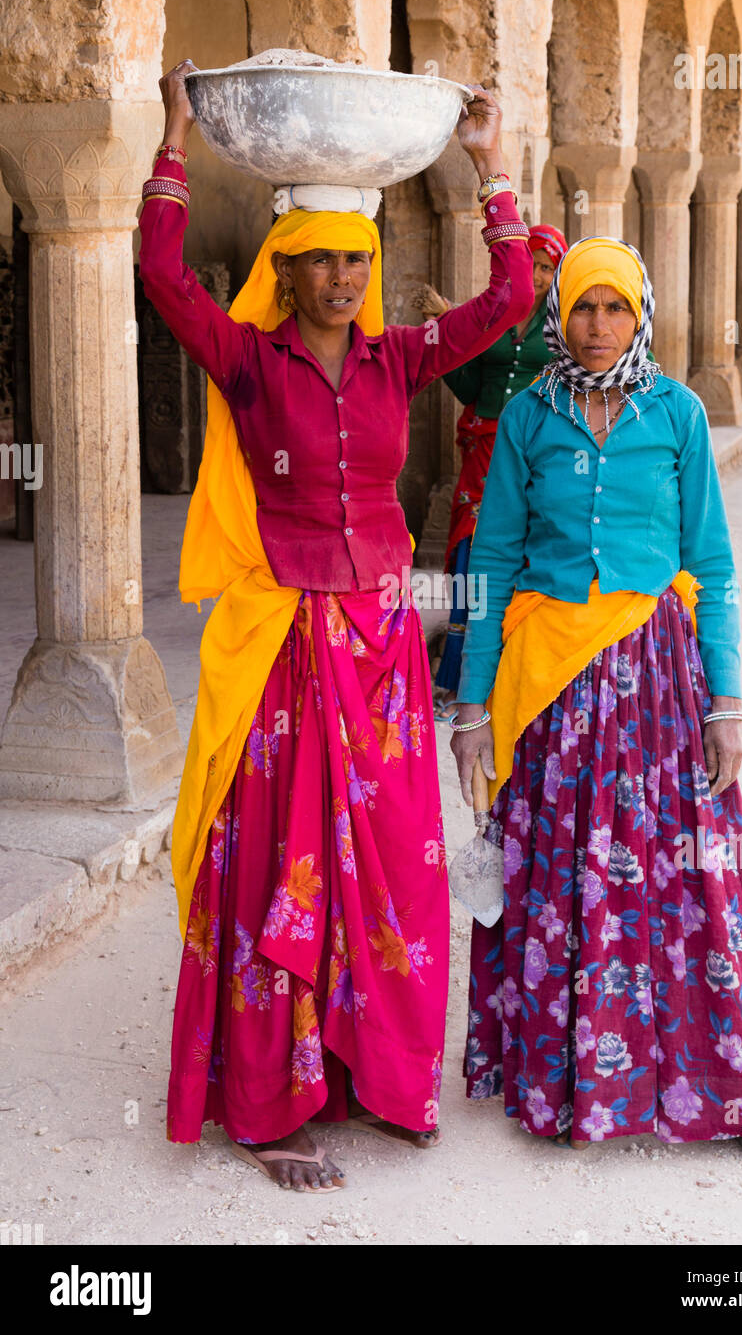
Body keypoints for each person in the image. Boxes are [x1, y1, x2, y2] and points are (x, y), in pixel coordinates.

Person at [138, 60, 534, 1193]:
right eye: (322, 258)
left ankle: (376, 1074)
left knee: (397, 863)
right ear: (287, 266)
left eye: (357, 259)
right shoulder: (249, 365)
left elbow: (508, 303)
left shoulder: (397, 361)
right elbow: (161, 277)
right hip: (287, 647)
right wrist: (175, 139)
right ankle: (268, 1103)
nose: (343, 278)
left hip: (385, 645)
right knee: (278, 866)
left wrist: (490, 166)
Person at [450, 236, 742, 1171]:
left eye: (613, 307)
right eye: (580, 308)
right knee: (562, 881)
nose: (597, 326)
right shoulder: (530, 417)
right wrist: (473, 709)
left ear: (639, 313)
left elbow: (712, 565)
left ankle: (731, 1090)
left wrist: (727, 703)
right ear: (558, 315)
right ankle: (566, 1082)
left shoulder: (676, 413)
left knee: (689, 881)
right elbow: (491, 565)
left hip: (658, 688)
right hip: (556, 694)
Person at [413, 225, 567, 716]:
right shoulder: (498, 310)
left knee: (517, 550)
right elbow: (471, 379)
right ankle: (455, 681)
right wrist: (441, 335)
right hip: (481, 445)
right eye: (533, 265)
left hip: (532, 449)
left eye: (547, 268)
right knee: (468, 548)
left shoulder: (564, 322)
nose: (539, 276)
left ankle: (511, 671)